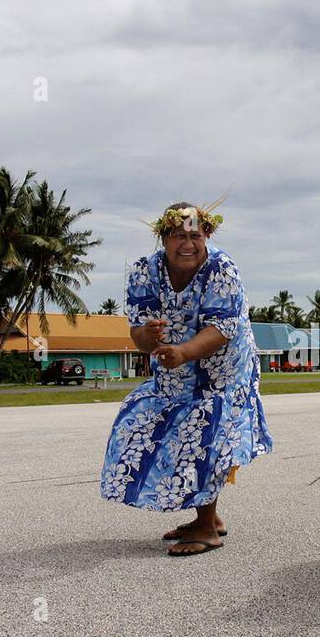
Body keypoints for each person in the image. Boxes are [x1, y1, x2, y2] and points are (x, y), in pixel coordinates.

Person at [100, 200, 271, 554]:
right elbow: (138, 333)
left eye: (195, 234)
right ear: (164, 238)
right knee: (136, 422)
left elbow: (223, 327)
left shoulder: (221, 267)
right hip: (173, 368)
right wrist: (149, 337)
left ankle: (206, 528)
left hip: (223, 369)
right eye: (179, 235)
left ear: (207, 234)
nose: (188, 243)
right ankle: (208, 518)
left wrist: (184, 352)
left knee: (201, 431)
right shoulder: (143, 271)